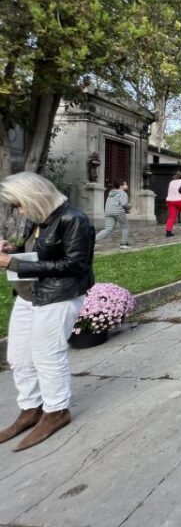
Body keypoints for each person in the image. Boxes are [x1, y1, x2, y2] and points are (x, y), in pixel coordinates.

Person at [0, 172, 95, 451]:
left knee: (47, 354)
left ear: (34, 197)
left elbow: (75, 265)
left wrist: (13, 264)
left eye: (20, 204)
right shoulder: (41, 220)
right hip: (29, 294)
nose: (20, 210)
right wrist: (13, 250)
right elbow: (40, 253)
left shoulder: (74, 219)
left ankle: (56, 411)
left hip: (59, 296)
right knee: (18, 356)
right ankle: (30, 408)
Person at [95, 180, 131, 248]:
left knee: (108, 229)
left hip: (108, 211)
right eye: (125, 184)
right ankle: (124, 244)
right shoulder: (123, 193)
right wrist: (129, 205)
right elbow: (124, 204)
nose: (127, 185)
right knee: (125, 226)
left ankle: (92, 240)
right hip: (118, 211)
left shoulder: (111, 192)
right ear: (121, 186)